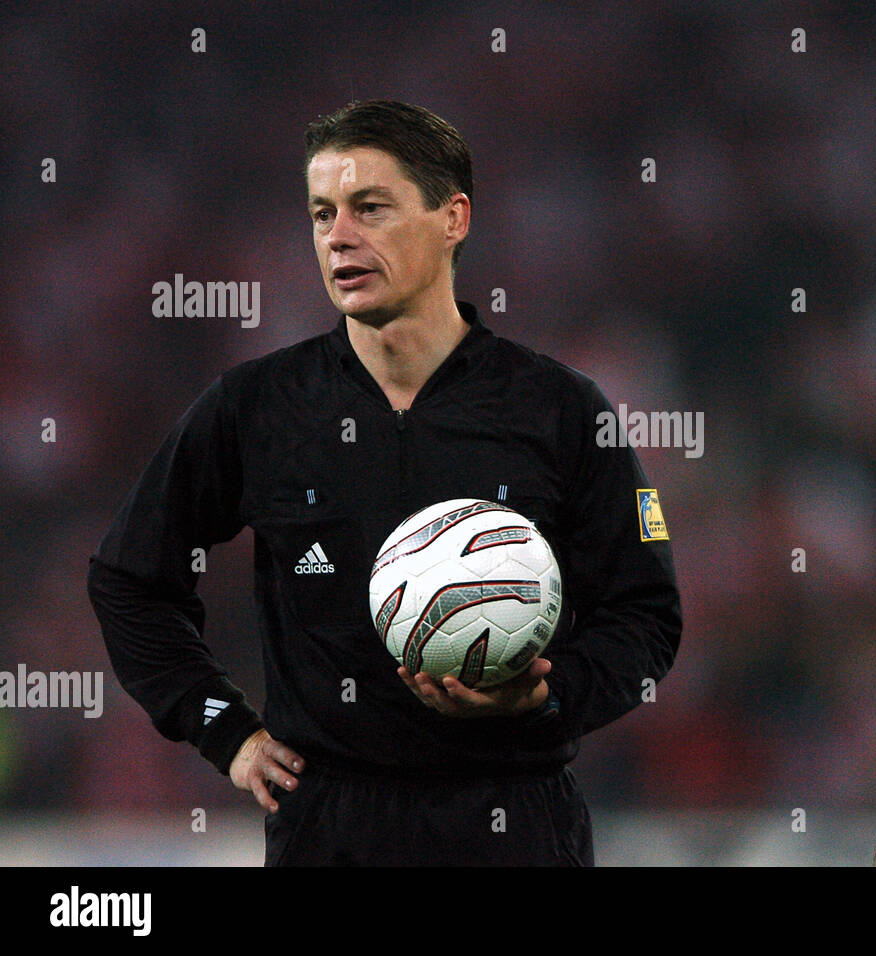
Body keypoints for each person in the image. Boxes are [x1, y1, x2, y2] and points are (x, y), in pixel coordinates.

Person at [87, 100, 681, 866]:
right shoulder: (257, 407)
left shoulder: (559, 409)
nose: (338, 236)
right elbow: (129, 580)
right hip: (331, 829)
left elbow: (645, 617)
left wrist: (551, 692)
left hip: (515, 820)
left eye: (370, 208)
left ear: (452, 217)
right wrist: (225, 731)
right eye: (322, 213)